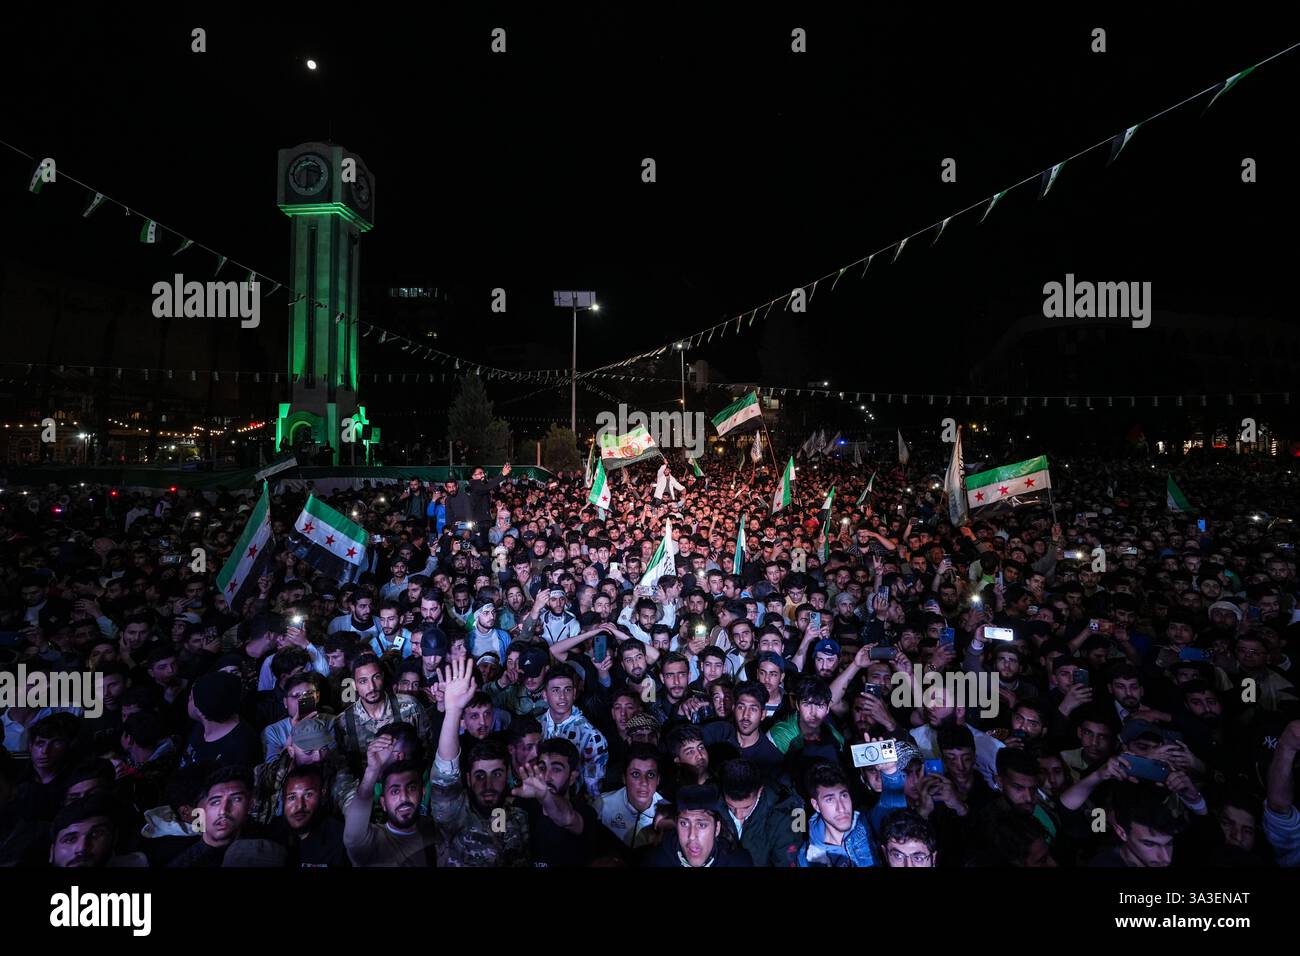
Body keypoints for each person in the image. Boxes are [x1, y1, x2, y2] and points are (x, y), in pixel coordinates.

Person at [427, 656, 530, 866]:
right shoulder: (454, 813)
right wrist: (450, 708)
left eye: (497, 774)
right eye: (479, 775)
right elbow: (445, 771)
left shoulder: (514, 817)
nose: (488, 784)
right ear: (467, 777)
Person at [646, 784, 753, 867]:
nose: (692, 835)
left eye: (701, 825)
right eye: (684, 823)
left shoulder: (739, 862)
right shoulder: (654, 861)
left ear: (717, 829)